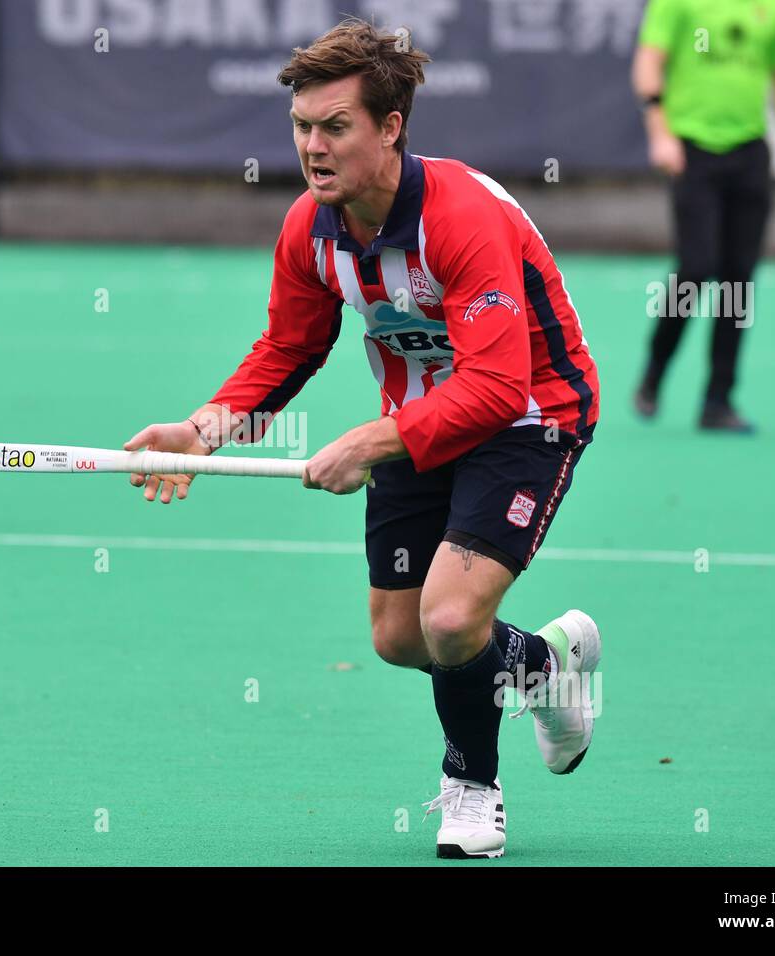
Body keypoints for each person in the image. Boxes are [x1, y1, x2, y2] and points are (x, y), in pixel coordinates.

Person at [122, 21, 602, 860]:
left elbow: (497, 387)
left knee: (451, 620)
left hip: (530, 415)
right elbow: (287, 348)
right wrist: (203, 430)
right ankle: (542, 661)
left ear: (390, 127)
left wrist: (373, 442)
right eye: (303, 126)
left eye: (335, 126)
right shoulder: (311, 227)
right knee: (399, 637)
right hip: (418, 426)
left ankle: (472, 789)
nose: (314, 145)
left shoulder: (462, 219)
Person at [632, 0, 775, 432]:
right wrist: (661, 132)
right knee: (695, 268)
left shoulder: (774, 9)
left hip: (750, 153)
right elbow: (648, 63)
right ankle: (655, 370)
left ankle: (718, 401)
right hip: (692, 151)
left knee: (738, 280)